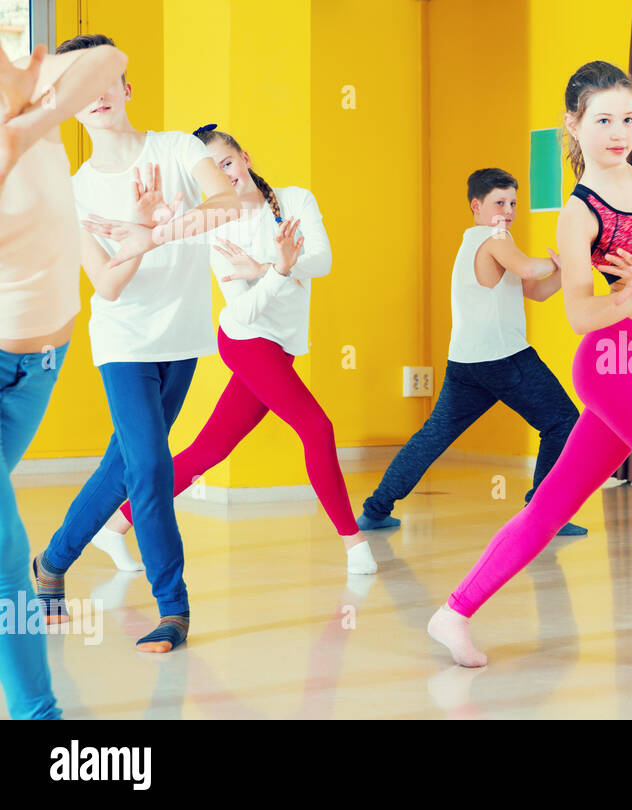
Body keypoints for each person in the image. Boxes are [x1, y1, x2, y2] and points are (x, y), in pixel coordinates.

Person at [426, 61, 632, 685]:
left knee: (551, 505)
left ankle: (454, 611)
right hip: (614, 364)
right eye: (603, 119)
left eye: (629, 118)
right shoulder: (579, 214)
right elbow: (582, 314)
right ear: (573, 125)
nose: (619, 132)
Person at [32, 34, 243, 653]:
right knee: (150, 467)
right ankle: (172, 608)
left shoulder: (176, 149)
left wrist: (151, 228)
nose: (95, 94)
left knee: (123, 465)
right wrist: (146, 234)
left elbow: (228, 203)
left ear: (125, 88)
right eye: (79, 85)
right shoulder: (71, 191)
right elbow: (109, 285)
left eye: (105, 79)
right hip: (123, 341)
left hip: (180, 339)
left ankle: (50, 564)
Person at [96, 125, 378, 575]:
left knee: (209, 450)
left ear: (244, 157)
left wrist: (269, 267)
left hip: (280, 346)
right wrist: (280, 273)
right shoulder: (217, 231)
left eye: (228, 162)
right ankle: (355, 544)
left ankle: (113, 527)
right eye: (214, 171)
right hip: (245, 343)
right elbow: (245, 312)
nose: (225, 176)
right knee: (317, 428)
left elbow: (322, 261)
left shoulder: (295, 200)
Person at [0, 38, 127, 719]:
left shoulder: (33, 95)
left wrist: (32, 116)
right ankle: (39, 719)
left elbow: (109, 58)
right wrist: (17, 136)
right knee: (4, 551)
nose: (18, 51)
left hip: (40, 367)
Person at [356, 168, 584, 536]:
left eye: (513, 203)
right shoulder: (495, 238)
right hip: (505, 359)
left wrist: (561, 273)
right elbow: (529, 266)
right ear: (476, 206)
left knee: (433, 436)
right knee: (562, 421)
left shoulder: (476, 243)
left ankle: (376, 510)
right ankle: (543, 515)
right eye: (499, 202)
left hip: (466, 363)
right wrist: (567, 259)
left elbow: (536, 291)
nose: (508, 210)